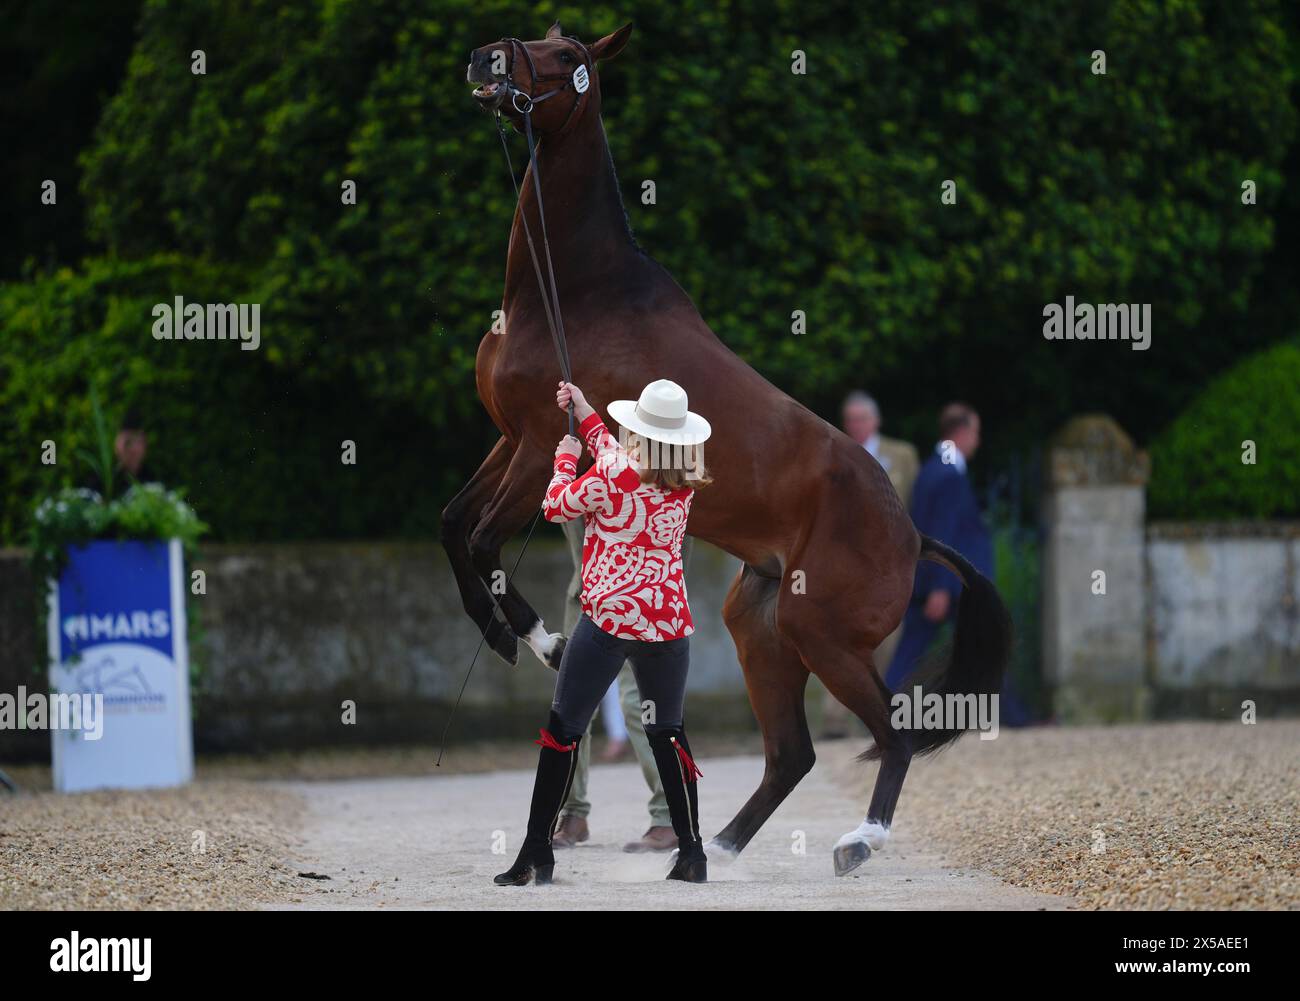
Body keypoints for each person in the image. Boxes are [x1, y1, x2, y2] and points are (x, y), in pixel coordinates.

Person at [495, 378, 713, 886]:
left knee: (563, 731)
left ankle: (535, 853)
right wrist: (586, 411)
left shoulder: (611, 476)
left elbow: (555, 506)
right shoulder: (685, 480)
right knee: (670, 735)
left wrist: (565, 459)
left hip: (610, 619)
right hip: (666, 624)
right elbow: (615, 453)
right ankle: (693, 852)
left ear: (638, 431)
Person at [551, 517, 683, 854]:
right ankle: (572, 814)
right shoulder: (596, 471)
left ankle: (669, 818)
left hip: (649, 593)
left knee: (641, 702)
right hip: (587, 592)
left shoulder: (667, 467)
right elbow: (557, 504)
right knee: (569, 706)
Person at [823, 392, 919, 737]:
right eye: (850, 419)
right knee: (842, 637)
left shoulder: (903, 456)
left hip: (890, 563)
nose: (855, 425)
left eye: (861, 418)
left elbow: (913, 507)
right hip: (846, 564)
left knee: (888, 636)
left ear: (875, 421)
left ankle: (872, 712)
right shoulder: (834, 452)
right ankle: (836, 719)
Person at [884, 403, 992, 691]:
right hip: (949, 583)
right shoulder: (947, 474)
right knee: (975, 646)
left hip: (945, 581)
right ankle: (883, 709)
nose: (978, 440)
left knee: (976, 646)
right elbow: (942, 533)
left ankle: (883, 709)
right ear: (962, 432)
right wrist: (941, 587)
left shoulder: (936, 469)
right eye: (976, 432)